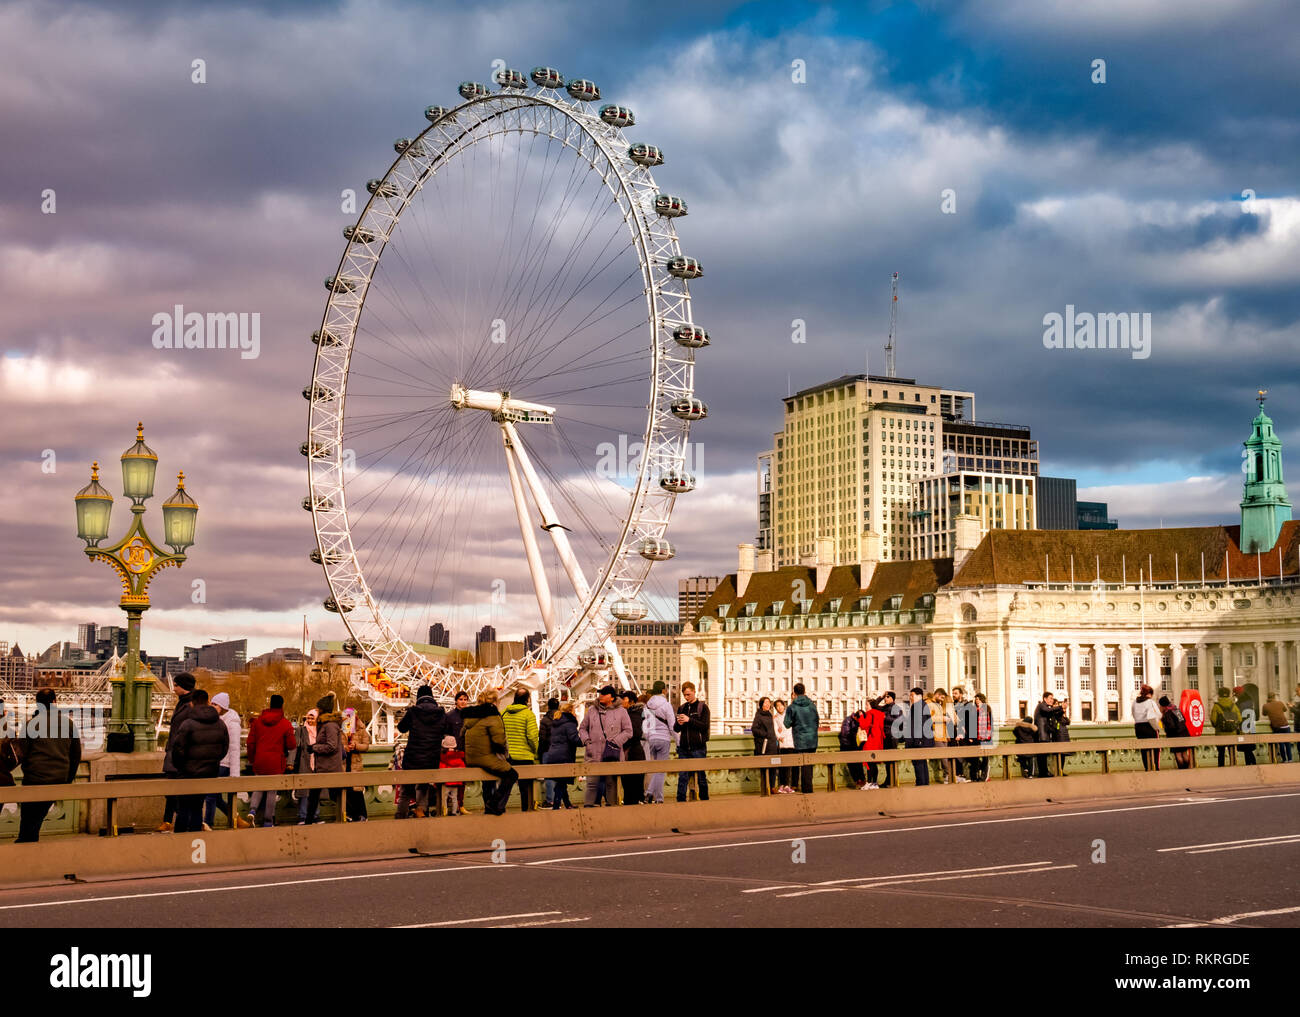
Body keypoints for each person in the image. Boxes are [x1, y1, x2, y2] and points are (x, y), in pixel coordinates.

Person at [14, 688, 81, 843]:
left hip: (35, 780)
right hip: (59, 779)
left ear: (37, 704)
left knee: (29, 821)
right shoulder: (69, 724)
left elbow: (21, 753)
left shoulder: (31, 724)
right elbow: (76, 756)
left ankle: (25, 850)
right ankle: (28, 846)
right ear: (55, 702)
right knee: (35, 820)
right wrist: (67, 779)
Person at [170, 689, 228, 834]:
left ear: (191, 703)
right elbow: (224, 749)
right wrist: (211, 763)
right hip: (209, 773)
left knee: (183, 809)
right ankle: (195, 839)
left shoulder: (187, 724)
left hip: (187, 774)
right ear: (208, 702)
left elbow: (177, 750)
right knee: (197, 807)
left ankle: (180, 842)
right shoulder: (220, 724)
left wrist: (182, 767)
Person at [462, 689, 518, 815]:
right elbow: (499, 739)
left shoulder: (471, 717)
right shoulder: (493, 715)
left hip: (472, 758)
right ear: (494, 702)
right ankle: (494, 803)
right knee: (512, 775)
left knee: (487, 783)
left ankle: (488, 807)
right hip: (486, 757)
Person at [246, 693, 296, 827]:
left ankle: (252, 810)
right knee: (271, 792)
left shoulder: (257, 722)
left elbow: (250, 743)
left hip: (260, 760)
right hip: (276, 762)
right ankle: (268, 821)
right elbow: (292, 745)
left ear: (270, 704)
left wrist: (252, 759)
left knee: (258, 787)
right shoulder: (285, 724)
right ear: (282, 705)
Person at [203, 692, 251, 830]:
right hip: (215, 762)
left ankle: (208, 823)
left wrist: (235, 774)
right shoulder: (216, 719)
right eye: (211, 703)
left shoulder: (232, 723)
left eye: (215, 704)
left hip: (224, 764)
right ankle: (237, 818)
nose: (212, 706)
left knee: (210, 794)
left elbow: (235, 748)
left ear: (223, 706)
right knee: (216, 797)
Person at [396, 685, 446, 818]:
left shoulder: (413, 711)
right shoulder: (440, 713)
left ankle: (401, 815)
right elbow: (445, 730)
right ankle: (421, 812)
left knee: (406, 790)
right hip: (431, 759)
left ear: (418, 697)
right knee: (423, 788)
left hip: (412, 758)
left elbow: (401, 728)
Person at [580, 685, 631, 806]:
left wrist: (615, 742)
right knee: (591, 783)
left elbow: (629, 731)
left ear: (612, 697)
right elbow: (582, 728)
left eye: (604, 694)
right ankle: (588, 811)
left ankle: (612, 813)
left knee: (610, 784)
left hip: (611, 754)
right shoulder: (592, 710)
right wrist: (587, 742)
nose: (600, 696)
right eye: (600, 693)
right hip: (593, 754)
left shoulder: (621, 711)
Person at [159, 671, 198, 832]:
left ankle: (178, 822)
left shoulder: (190, 706)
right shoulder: (182, 702)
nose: (173, 689)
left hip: (181, 756)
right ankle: (168, 821)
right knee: (171, 790)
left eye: (175, 685)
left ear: (184, 687)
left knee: (176, 791)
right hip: (174, 753)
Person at [305, 693, 346, 823]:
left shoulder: (330, 726)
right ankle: (308, 821)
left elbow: (332, 746)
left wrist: (314, 748)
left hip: (329, 769)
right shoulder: (327, 724)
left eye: (318, 709)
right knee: (315, 797)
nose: (316, 711)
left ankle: (351, 815)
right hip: (324, 768)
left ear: (322, 710)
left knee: (333, 796)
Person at [502, 690, 540, 811]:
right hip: (524, 756)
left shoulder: (503, 714)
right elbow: (532, 737)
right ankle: (526, 812)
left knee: (505, 787)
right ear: (527, 699)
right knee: (525, 790)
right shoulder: (528, 715)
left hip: (507, 757)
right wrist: (535, 751)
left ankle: (498, 809)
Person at [673, 681, 711, 802]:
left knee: (701, 777)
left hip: (698, 747)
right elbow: (676, 729)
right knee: (682, 777)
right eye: (685, 695)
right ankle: (680, 801)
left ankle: (705, 800)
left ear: (694, 692)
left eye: (688, 694)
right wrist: (679, 723)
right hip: (684, 748)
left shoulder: (703, 708)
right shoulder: (682, 708)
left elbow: (705, 726)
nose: (686, 697)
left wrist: (689, 720)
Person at [542, 702, 581, 809]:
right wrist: (585, 741)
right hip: (565, 755)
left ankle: (567, 804)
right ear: (571, 711)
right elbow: (574, 739)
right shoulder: (570, 724)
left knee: (561, 781)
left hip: (553, 754)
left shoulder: (556, 723)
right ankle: (556, 805)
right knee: (562, 782)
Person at [642, 681, 676, 803]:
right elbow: (672, 726)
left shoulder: (647, 706)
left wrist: (648, 737)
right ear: (663, 691)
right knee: (660, 770)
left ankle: (650, 795)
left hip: (651, 739)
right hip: (664, 739)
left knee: (656, 768)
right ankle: (656, 797)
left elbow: (645, 725)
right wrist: (678, 742)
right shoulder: (667, 705)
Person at [783, 683, 820, 794]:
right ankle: (809, 787)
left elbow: (787, 724)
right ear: (804, 691)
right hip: (812, 739)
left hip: (800, 739)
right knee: (809, 764)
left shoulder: (792, 707)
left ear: (794, 693)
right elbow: (817, 721)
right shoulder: (812, 705)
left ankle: (806, 789)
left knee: (803, 764)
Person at [343, 707, 371, 821]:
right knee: (347, 790)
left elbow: (366, 746)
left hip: (355, 761)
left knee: (357, 790)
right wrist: (345, 748)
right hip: (344, 761)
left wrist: (356, 746)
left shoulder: (361, 728)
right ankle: (351, 815)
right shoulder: (342, 728)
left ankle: (362, 815)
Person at [444, 690, 470, 813]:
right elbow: (446, 735)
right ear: (456, 701)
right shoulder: (449, 716)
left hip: (467, 752)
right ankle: (450, 806)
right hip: (454, 753)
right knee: (451, 781)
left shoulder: (470, 715)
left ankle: (461, 805)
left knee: (462, 781)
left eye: (465, 699)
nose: (463, 702)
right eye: (461, 699)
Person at [619, 690, 647, 806]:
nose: (621, 701)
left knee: (632, 783)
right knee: (631, 783)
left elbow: (635, 733)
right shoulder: (634, 713)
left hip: (633, 753)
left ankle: (633, 804)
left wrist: (621, 740)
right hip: (634, 752)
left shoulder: (634, 714)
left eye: (623, 699)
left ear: (630, 701)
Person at [292, 708, 318, 824]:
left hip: (317, 762)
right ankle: (303, 815)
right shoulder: (300, 730)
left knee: (315, 790)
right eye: (308, 717)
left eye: (312, 718)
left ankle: (315, 815)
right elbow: (294, 747)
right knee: (303, 790)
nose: (310, 720)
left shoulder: (320, 730)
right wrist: (290, 762)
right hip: (304, 762)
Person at [751, 697, 780, 794]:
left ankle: (772, 786)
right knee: (765, 767)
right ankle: (765, 786)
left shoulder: (770, 715)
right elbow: (754, 729)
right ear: (761, 705)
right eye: (765, 703)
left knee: (773, 766)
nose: (767, 704)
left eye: (769, 703)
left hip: (773, 744)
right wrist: (765, 735)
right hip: (764, 745)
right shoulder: (758, 715)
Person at [904, 687, 932, 786]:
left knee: (919, 764)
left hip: (919, 741)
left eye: (912, 695)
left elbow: (920, 724)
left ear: (919, 696)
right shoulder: (923, 705)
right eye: (910, 695)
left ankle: (921, 785)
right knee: (922, 763)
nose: (910, 697)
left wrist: (918, 740)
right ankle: (924, 784)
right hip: (923, 740)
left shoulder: (917, 706)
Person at [1033, 692, 1063, 777]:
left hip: (1044, 735)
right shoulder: (1042, 706)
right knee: (1042, 755)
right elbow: (1048, 711)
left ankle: (1044, 772)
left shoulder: (1045, 707)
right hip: (1041, 735)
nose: (1052, 700)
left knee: (1043, 755)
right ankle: (1043, 773)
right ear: (1045, 699)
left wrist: (1061, 709)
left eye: (1052, 698)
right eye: (1050, 698)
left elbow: (1053, 714)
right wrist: (1060, 707)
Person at [1132, 685, 1161, 771]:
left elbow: (1133, 714)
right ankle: (1155, 767)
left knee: (1144, 749)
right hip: (1149, 727)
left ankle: (1147, 767)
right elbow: (1156, 715)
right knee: (1156, 748)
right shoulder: (1150, 702)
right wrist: (1157, 727)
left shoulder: (1135, 702)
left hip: (1138, 727)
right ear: (1149, 694)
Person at [859, 697, 886, 789]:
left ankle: (870, 782)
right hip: (878, 741)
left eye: (866, 705)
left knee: (869, 763)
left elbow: (863, 725)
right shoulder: (880, 714)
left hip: (870, 741)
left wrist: (861, 716)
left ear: (870, 705)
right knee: (873, 763)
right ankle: (874, 783)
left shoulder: (869, 714)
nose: (865, 707)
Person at [1159, 696, 1192, 769]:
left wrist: (1164, 722)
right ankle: (1188, 771)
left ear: (1163, 706)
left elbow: (1171, 727)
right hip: (1184, 734)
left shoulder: (1168, 713)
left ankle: (1182, 772)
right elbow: (1184, 720)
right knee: (1184, 754)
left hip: (1176, 736)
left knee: (1178, 755)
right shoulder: (1176, 709)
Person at [838, 707, 867, 788]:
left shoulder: (856, 721)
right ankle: (857, 781)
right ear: (856, 717)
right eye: (860, 719)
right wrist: (855, 731)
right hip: (847, 745)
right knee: (852, 765)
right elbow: (845, 733)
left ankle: (862, 780)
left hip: (856, 746)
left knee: (859, 764)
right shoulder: (848, 720)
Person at [438, 734, 466, 815]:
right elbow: (462, 768)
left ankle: (444, 812)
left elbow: (441, 768)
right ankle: (454, 812)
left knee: (444, 798)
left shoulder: (443, 757)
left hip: (446, 782)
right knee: (454, 798)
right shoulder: (459, 757)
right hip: (456, 782)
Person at [539, 697, 560, 805]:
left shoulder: (545, 720)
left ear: (548, 706)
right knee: (559, 776)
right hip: (560, 751)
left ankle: (550, 800)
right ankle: (559, 799)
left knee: (549, 777)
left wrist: (540, 752)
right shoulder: (562, 719)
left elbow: (542, 739)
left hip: (548, 750)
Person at [880, 690, 902, 787]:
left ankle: (892, 780)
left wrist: (885, 718)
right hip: (885, 736)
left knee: (892, 759)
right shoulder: (884, 708)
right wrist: (881, 696)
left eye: (887, 697)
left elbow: (899, 720)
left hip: (893, 736)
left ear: (892, 698)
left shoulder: (896, 708)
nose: (885, 698)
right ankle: (889, 780)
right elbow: (873, 705)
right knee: (887, 760)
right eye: (885, 697)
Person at [773, 698, 795, 792]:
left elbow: (791, 727)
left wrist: (782, 731)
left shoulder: (789, 714)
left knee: (789, 766)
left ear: (784, 705)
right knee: (782, 765)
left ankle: (787, 785)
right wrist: (778, 736)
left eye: (781, 705)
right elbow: (775, 729)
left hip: (790, 743)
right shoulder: (775, 717)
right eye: (777, 706)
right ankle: (782, 785)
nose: (779, 707)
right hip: (782, 744)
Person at [971, 692, 995, 782]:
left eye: (979, 699)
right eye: (976, 699)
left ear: (982, 699)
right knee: (976, 758)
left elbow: (991, 722)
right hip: (977, 736)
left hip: (986, 736)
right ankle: (978, 775)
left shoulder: (987, 709)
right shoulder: (974, 710)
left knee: (985, 758)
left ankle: (984, 776)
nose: (977, 701)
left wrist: (990, 734)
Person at [1263, 693, 1293, 763]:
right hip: (1285, 725)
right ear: (1274, 697)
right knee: (1287, 743)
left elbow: (1264, 714)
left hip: (1276, 727)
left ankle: (1284, 760)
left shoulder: (1265, 706)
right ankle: (1290, 759)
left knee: (1281, 743)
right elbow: (1285, 710)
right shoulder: (1280, 703)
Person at [1012, 714, 1038, 779]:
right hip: (1030, 745)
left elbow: (1014, 732)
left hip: (1020, 744)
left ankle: (1025, 767)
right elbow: (1035, 735)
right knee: (1030, 759)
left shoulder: (1018, 728)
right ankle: (1030, 775)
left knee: (1020, 757)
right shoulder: (1032, 729)